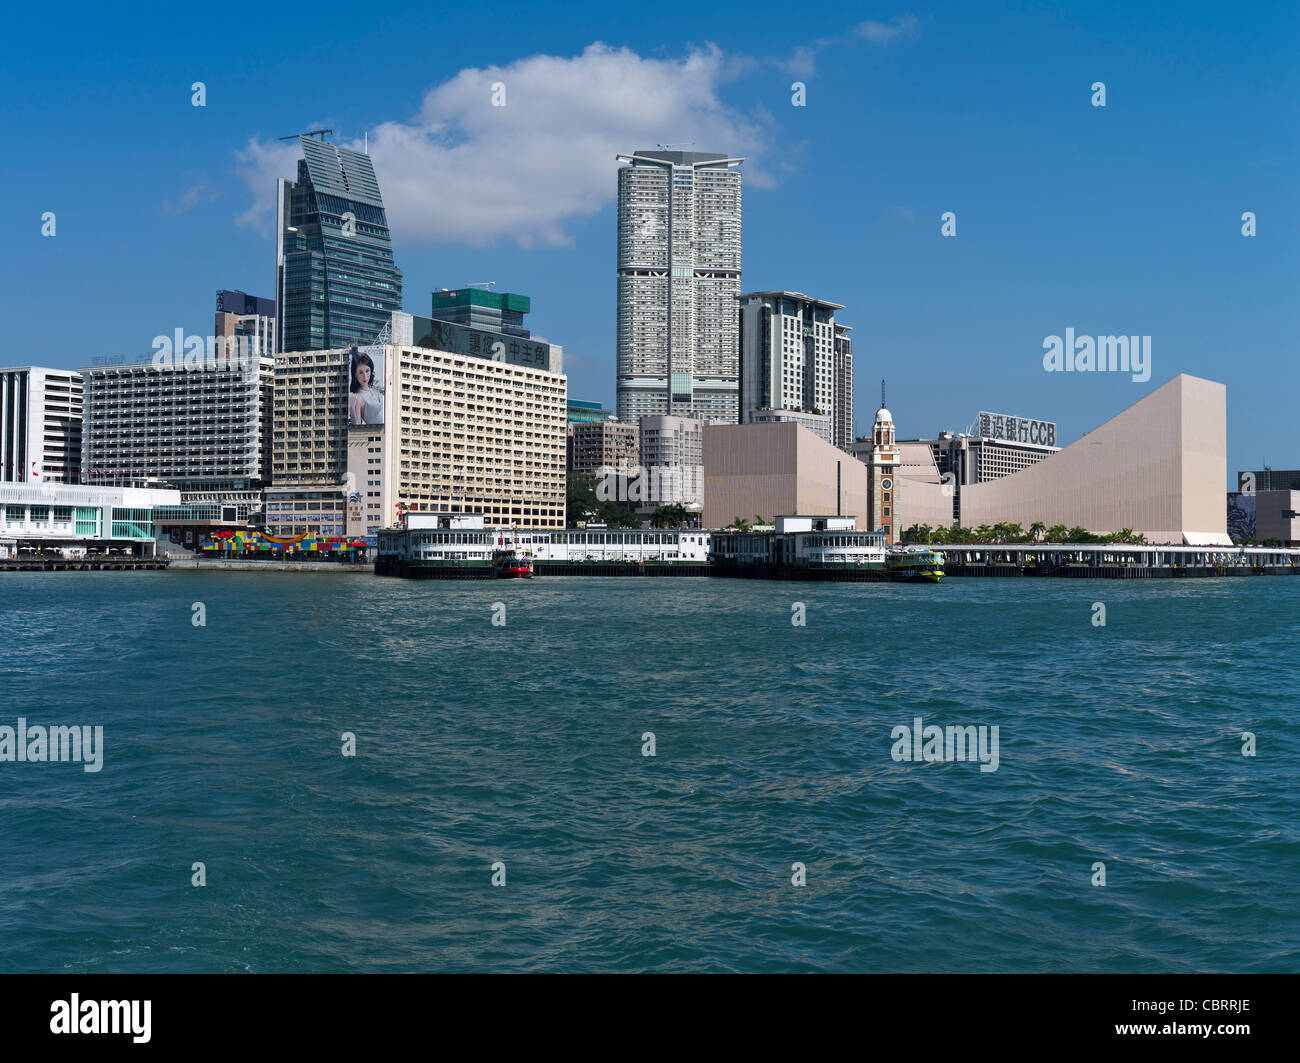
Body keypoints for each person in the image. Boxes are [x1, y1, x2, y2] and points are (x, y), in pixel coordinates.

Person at [348, 352, 384, 424]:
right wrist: (352, 409)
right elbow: (357, 427)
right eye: (361, 372)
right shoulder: (357, 397)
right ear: (355, 374)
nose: (365, 376)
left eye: (367, 371)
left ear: (371, 370)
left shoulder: (374, 389)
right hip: (375, 433)